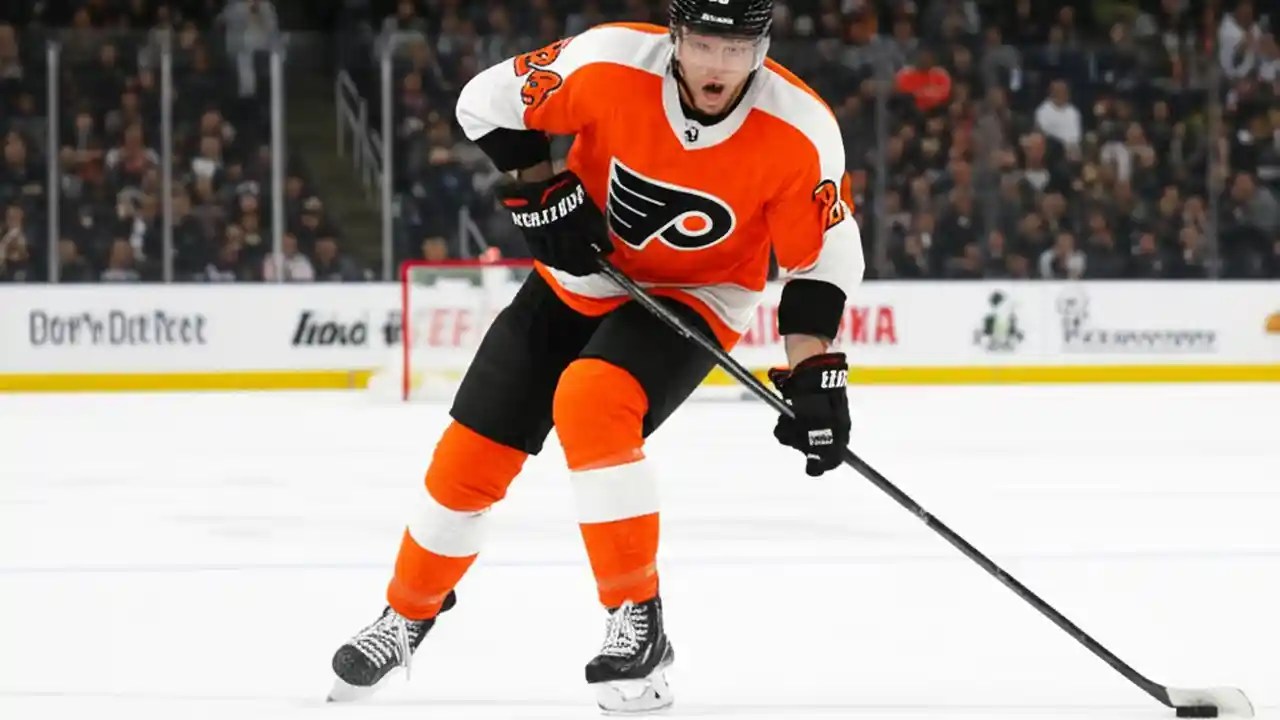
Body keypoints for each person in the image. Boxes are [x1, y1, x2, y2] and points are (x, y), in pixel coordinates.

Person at [328, 0, 864, 713]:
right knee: (469, 452)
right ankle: (406, 613)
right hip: (575, 281)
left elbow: (821, 264)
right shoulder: (606, 60)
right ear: (676, 36)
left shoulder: (801, 130)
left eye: (738, 50)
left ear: (762, 49)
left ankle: (638, 619)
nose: (720, 67)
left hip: (694, 296)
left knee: (592, 401)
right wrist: (537, 188)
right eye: (705, 45)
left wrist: (813, 374)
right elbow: (482, 105)